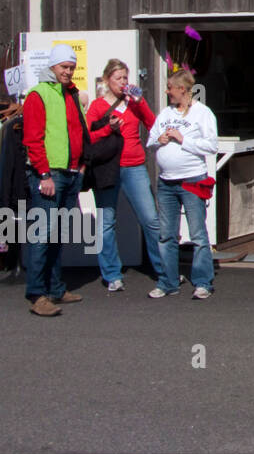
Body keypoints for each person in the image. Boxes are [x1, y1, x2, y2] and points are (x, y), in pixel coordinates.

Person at [85, 60, 165, 291]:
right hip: (107, 167)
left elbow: (153, 125)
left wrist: (140, 103)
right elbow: (87, 137)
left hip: (134, 165)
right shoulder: (99, 106)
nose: (123, 82)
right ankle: (112, 275)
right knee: (106, 222)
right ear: (107, 80)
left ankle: (163, 270)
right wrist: (108, 128)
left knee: (150, 219)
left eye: (125, 78)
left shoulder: (133, 103)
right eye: (118, 78)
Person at [22, 44, 87, 317]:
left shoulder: (71, 94)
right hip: (49, 174)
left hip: (70, 173)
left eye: (71, 67)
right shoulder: (39, 95)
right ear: (52, 67)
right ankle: (37, 294)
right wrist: (45, 174)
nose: (68, 71)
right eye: (64, 67)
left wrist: (82, 166)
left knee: (58, 233)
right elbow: (32, 139)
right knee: (42, 235)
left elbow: (79, 131)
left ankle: (56, 287)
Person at [147, 70, 219, 300]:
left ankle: (202, 282)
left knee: (198, 234)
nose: (167, 91)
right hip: (166, 181)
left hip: (191, 179)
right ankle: (168, 281)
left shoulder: (202, 113)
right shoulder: (165, 113)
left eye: (170, 87)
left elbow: (211, 145)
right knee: (167, 234)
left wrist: (182, 139)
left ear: (183, 90)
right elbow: (149, 140)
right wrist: (159, 141)